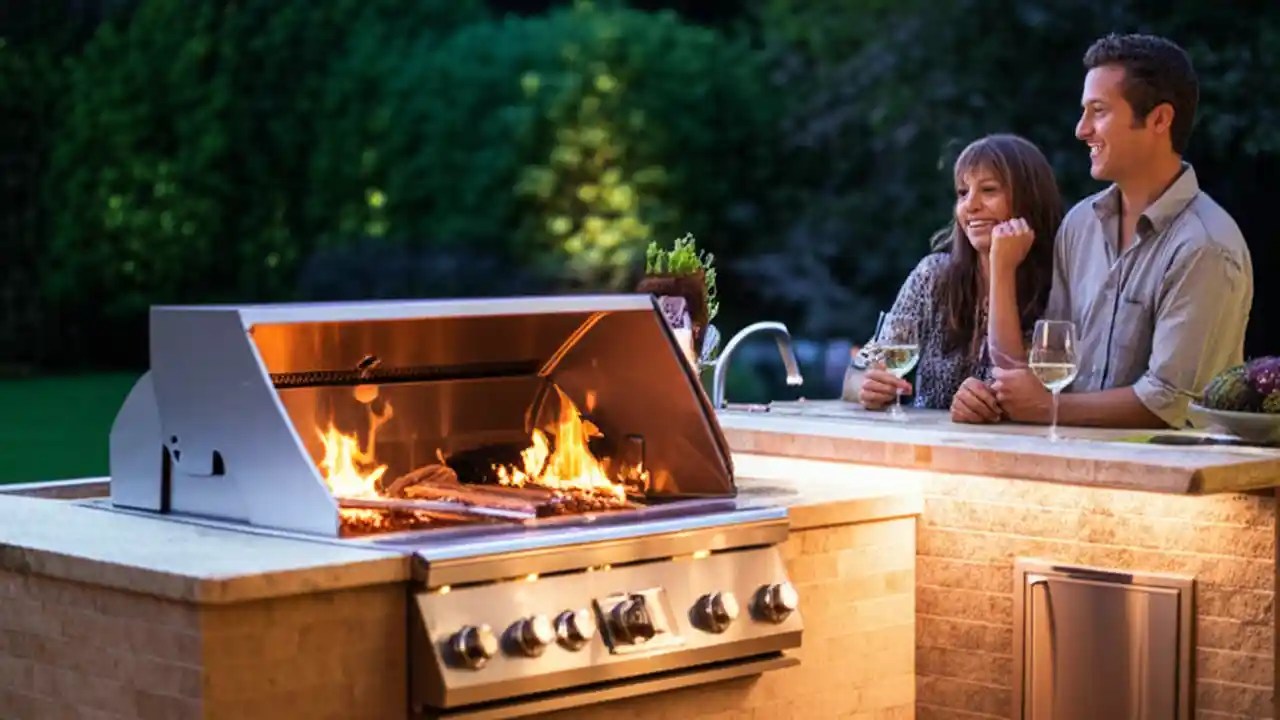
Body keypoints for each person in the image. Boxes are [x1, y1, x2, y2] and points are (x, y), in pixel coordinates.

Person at [971, 33, 1254, 429]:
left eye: (1098, 111)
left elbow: (1170, 401)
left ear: (1159, 119)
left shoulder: (1205, 245)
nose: (1081, 130)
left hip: (1171, 482)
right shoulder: (1080, 224)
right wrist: (991, 397)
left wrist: (1047, 409)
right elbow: (1051, 361)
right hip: (1074, 469)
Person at [855, 134, 1063, 413]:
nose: (971, 205)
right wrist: (865, 386)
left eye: (988, 190)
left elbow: (1026, 397)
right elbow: (861, 368)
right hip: (929, 448)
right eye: (963, 193)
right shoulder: (933, 276)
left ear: (1029, 199)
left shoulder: (1060, 284)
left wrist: (1002, 267)